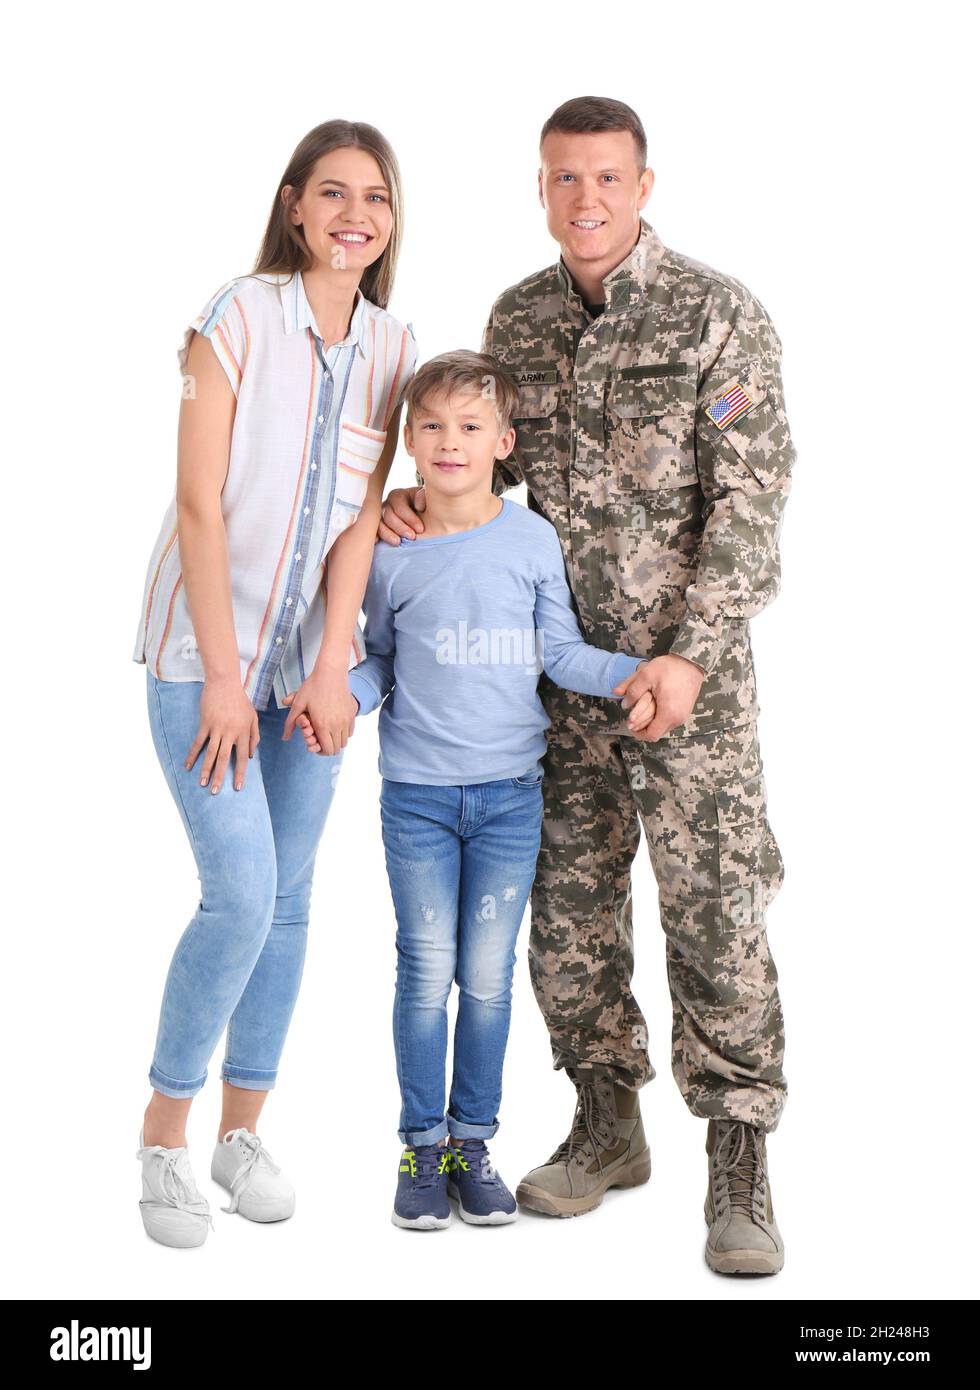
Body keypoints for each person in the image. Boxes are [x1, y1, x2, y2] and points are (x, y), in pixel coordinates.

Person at [378, 97, 796, 1275]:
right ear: (542, 187)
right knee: (564, 911)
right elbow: (474, 465)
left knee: (714, 909)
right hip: (549, 686)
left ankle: (738, 1149)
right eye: (564, 179)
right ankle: (607, 1120)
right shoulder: (513, 320)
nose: (586, 200)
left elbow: (750, 506)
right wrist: (417, 507)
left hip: (687, 681)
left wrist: (690, 650)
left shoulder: (716, 314)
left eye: (607, 178)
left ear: (643, 184)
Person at [130, 120, 418, 1247]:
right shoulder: (237, 316)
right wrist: (222, 680)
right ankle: (162, 1136)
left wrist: (336, 665)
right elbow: (199, 503)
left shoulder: (394, 347)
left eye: (377, 197)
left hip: (308, 679)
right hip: (203, 663)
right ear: (295, 205)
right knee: (240, 893)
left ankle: (241, 1131)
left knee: (291, 899)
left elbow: (356, 523)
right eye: (334, 193)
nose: (357, 214)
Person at [297, 351, 657, 1229]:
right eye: (431, 427)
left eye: (470, 427)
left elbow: (561, 654)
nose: (450, 443)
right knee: (427, 975)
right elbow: (380, 659)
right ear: (408, 443)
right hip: (417, 799)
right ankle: (422, 1148)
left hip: (508, 799)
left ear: (504, 441)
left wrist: (637, 671)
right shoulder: (387, 552)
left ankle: (472, 1143)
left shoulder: (532, 538)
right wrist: (346, 698)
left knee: (488, 980)